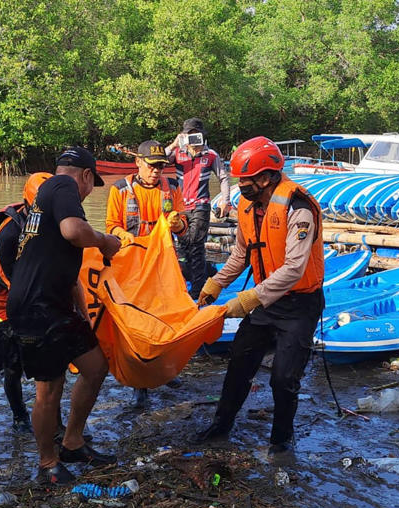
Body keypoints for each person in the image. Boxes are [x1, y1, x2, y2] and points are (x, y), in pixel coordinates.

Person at [195, 136, 325, 454]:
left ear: (266, 178)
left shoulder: (298, 208)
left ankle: (281, 440)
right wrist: (215, 286)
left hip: (298, 305)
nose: (241, 186)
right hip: (266, 303)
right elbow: (241, 255)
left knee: (283, 379)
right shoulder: (248, 207)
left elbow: (294, 269)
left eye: (246, 180)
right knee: (239, 363)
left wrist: (248, 300)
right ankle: (221, 424)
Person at [7, 147, 122, 484]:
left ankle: (72, 442)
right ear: (85, 176)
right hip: (34, 307)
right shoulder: (63, 187)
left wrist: (84, 315)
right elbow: (74, 231)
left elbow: (64, 264)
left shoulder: (48, 197)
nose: (88, 193)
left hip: (56, 305)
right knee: (49, 389)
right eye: (91, 185)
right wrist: (103, 241)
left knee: (95, 366)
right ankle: (47, 465)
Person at [105, 140, 188, 409]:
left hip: (164, 265)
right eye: (151, 166)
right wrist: (122, 234)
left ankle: (166, 371)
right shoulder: (120, 190)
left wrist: (178, 223)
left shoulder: (172, 187)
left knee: (167, 317)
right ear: (138, 163)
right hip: (133, 265)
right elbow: (111, 226)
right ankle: (140, 382)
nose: (156, 171)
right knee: (136, 323)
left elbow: (184, 226)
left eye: (161, 167)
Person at [0, 172, 50, 433]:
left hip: (31, 295)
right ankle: (20, 417)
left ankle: (52, 419)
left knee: (47, 362)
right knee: (13, 366)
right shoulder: (8, 233)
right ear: (30, 204)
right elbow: (13, 283)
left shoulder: (46, 221)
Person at [165, 117, 230, 299]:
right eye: (189, 135)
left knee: (195, 244)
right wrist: (174, 143)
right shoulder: (177, 153)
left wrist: (226, 201)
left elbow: (223, 178)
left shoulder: (211, 155)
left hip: (201, 205)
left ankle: (197, 290)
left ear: (203, 136)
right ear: (184, 136)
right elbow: (158, 161)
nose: (194, 139)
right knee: (183, 247)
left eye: (196, 135)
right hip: (180, 206)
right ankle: (208, 271)